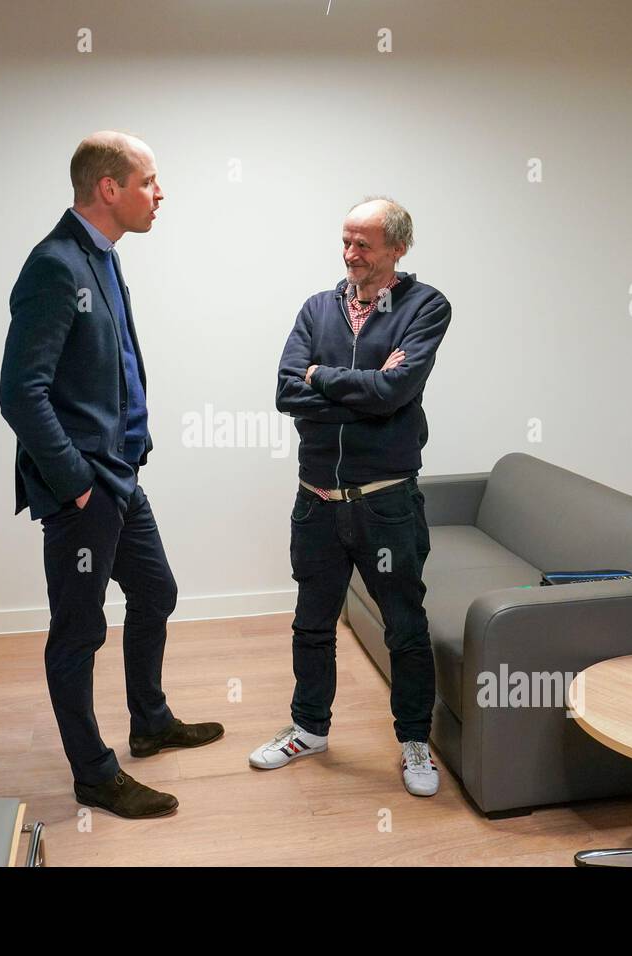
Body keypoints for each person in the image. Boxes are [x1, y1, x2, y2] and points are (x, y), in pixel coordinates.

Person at [0, 131, 222, 819]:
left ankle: (149, 721)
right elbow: (20, 393)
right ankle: (94, 772)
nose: (161, 193)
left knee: (156, 592)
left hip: (119, 475)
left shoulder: (100, 257)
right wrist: (75, 482)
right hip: (85, 487)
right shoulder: (55, 265)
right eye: (150, 180)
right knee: (79, 630)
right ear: (108, 188)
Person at [251, 197, 452, 796]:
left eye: (364, 243)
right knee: (312, 622)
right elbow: (287, 391)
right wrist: (348, 386)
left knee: (405, 627)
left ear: (397, 248)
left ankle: (415, 742)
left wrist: (327, 378)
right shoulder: (318, 308)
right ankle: (309, 728)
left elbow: (395, 391)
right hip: (316, 500)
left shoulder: (425, 306)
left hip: (384, 502)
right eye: (345, 241)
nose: (350, 254)